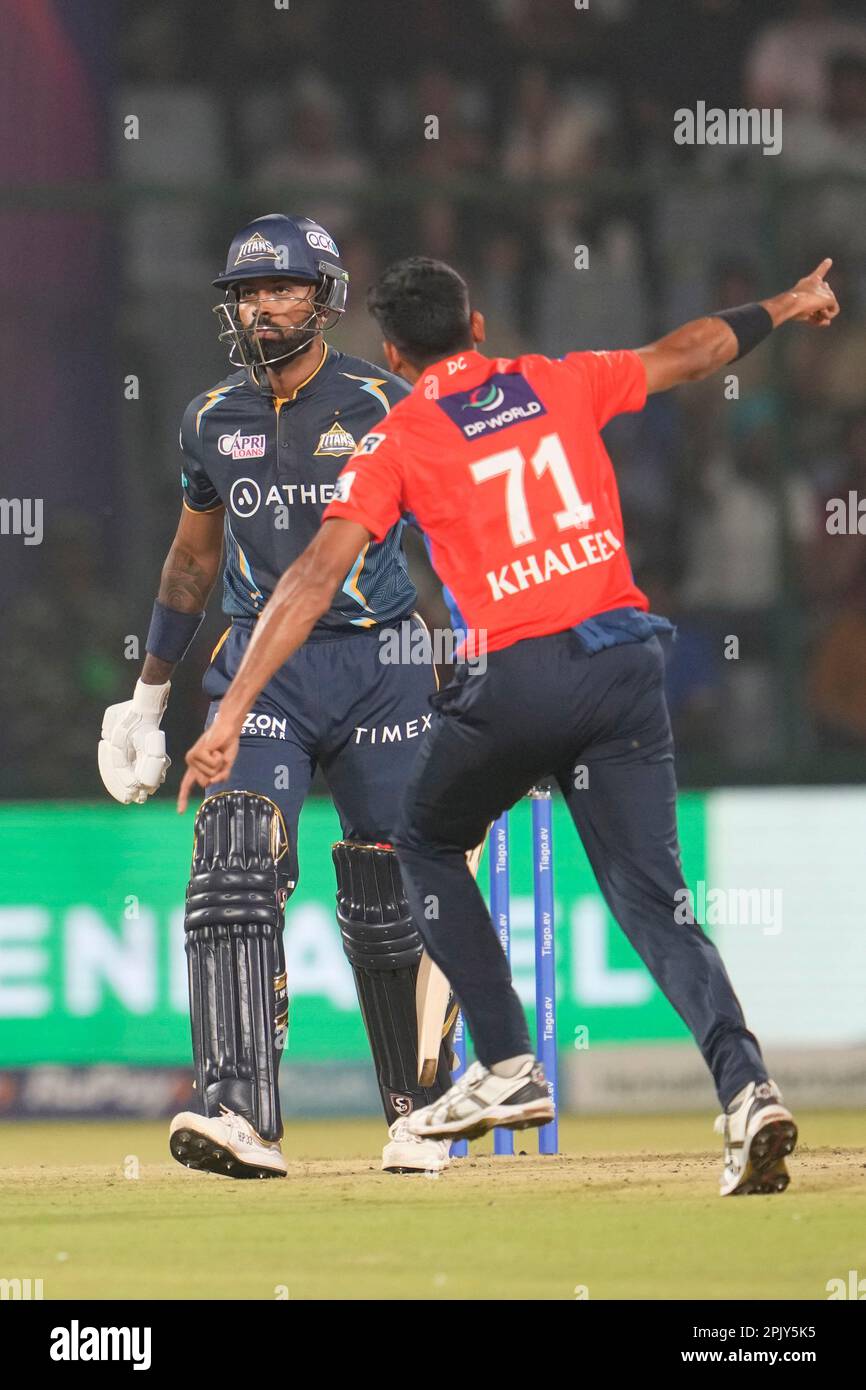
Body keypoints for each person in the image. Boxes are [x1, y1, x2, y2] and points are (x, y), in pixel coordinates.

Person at [178, 254, 839, 1196]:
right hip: (623, 663)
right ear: (479, 326)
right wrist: (786, 300)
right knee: (658, 903)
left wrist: (230, 712)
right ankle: (748, 1089)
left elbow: (314, 577)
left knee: (423, 842)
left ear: (395, 353)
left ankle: (507, 1060)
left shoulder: (398, 436)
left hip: (515, 679)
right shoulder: (555, 380)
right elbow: (692, 352)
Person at [98, 216, 463, 1180]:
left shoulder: (390, 402)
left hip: (383, 663)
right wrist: (146, 698)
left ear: (326, 297)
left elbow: (459, 531)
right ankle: (237, 1114)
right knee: (230, 863)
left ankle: (421, 1114)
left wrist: (491, 663)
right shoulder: (210, 417)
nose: (260, 307)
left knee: (392, 890)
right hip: (262, 674)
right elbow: (191, 560)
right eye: (247, 293)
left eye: (282, 290)